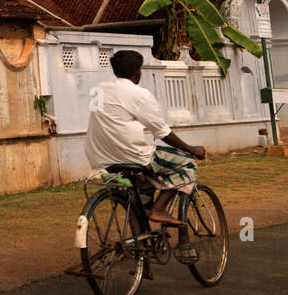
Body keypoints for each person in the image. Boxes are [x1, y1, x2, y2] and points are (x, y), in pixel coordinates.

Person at [85, 50, 206, 242]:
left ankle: (141, 243)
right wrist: (192, 149)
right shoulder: (140, 94)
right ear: (138, 73)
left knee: (144, 181)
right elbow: (162, 132)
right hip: (132, 156)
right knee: (187, 164)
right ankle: (158, 210)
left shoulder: (99, 89)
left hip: (100, 156)